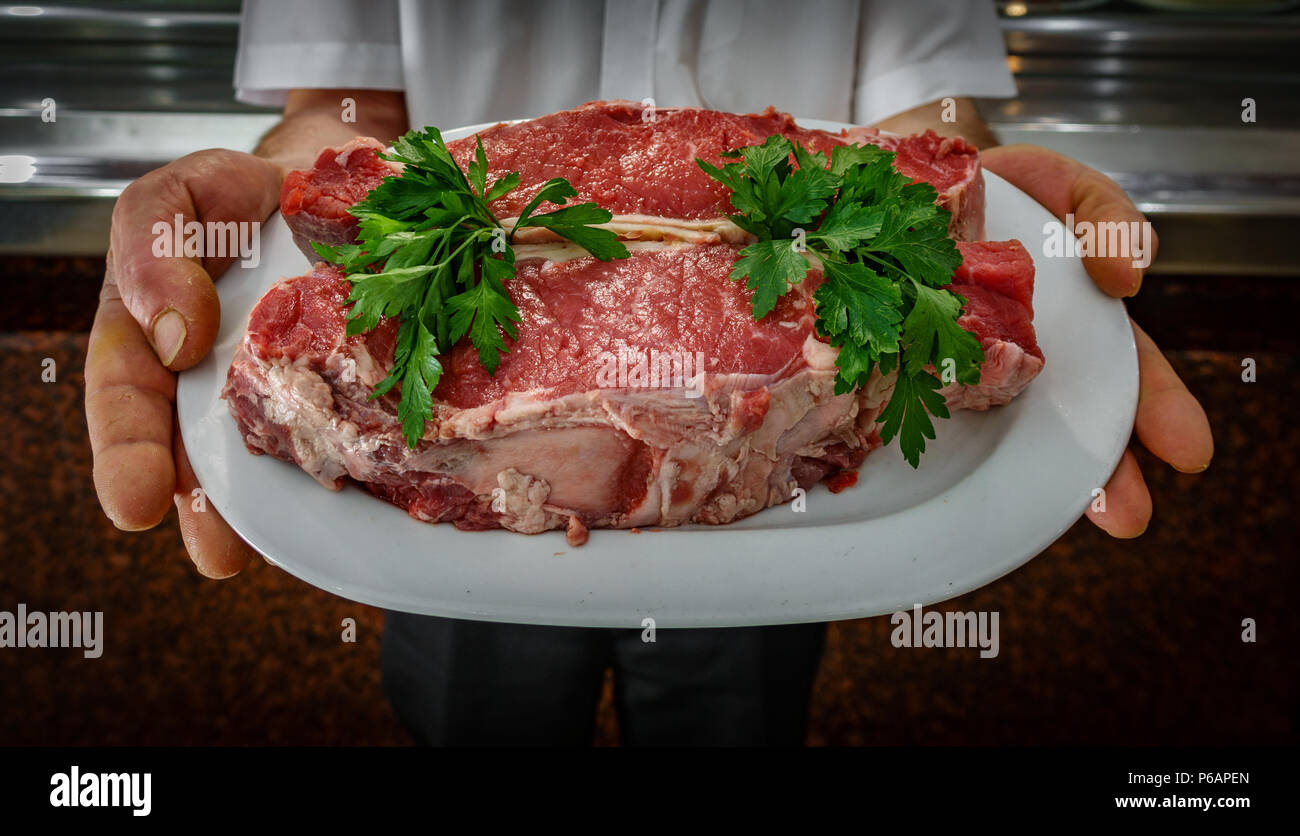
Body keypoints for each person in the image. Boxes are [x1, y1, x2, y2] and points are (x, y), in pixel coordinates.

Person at [85, 0, 1213, 745]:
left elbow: (929, 103)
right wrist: (286, 189)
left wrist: (953, 181)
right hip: (441, 506)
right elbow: (343, 120)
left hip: (781, 537)